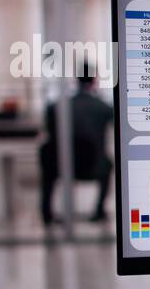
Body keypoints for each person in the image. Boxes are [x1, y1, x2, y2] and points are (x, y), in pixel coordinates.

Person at [40, 70, 114, 225]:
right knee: (108, 164)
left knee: (47, 158)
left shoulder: (58, 106)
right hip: (92, 166)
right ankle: (99, 210)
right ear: (94, 81)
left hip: (60, 166)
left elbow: (48, 130)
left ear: (76, 81)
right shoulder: (102, 107)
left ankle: (46, 212)